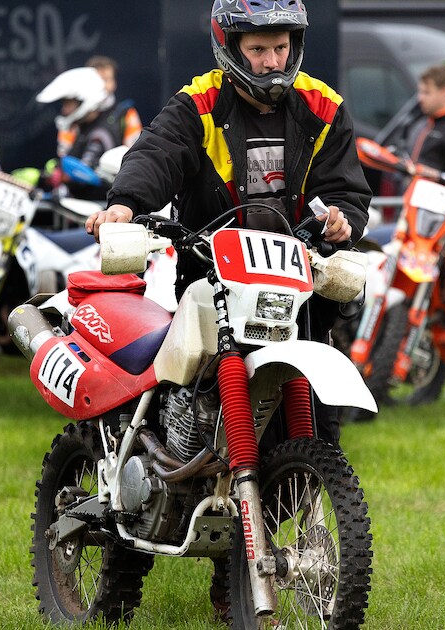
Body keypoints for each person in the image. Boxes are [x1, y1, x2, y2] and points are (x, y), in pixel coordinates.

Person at [87, 2, 368, 617]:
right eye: (259, 49)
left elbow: (346, 187)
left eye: (281, 47)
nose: (273, 61)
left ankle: (237, 575)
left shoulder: (321, 105)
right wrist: (125, 206)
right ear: (229, 45)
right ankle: (126, 535)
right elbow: (156, 154)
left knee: (310, 428)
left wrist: (344, 220)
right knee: (175, 403)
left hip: (295, 288)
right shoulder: (199, 104)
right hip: (209, 277)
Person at [35, 66, 117, 198]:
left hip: (95, 212)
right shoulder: (84, 130)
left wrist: (57, 176)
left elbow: (84, 176)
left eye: (68, 104)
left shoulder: (99, 135)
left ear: (84, 100)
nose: (64, 110)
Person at [87, 55, 143, 149]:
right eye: (98, 80)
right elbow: (64, 154)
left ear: (114, 83)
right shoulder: (75, 115)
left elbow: (135, 152)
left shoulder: (126, 114)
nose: (102, 86)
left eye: (107, 80)